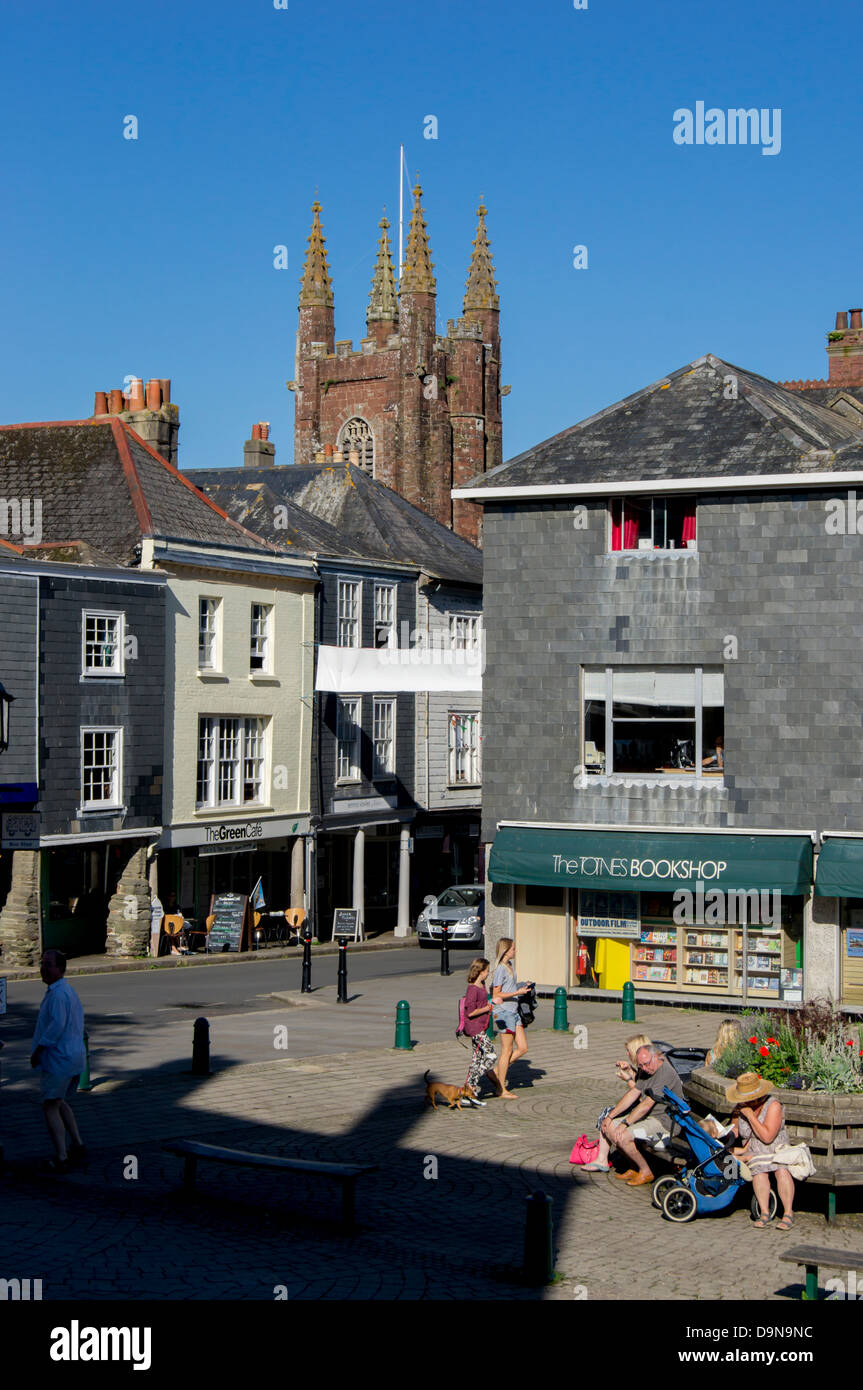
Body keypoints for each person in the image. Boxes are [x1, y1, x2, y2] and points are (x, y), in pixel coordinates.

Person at [586, 1045, 684, 1183]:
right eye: (640, 1065)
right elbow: (633, 1094)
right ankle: (634, 1166)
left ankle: (646, 1171)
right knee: (609, 1127)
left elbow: (646, 1105)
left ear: (655, 1057)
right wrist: (610, 1117)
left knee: (624, 1136)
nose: (644, 1068)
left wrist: (625, 1123)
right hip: (649, 1117)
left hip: (665, 1122)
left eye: (647, 1064)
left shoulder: (665, 1073)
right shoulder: (645, 1071)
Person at [30, 949, 87, 1172]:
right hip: (72, 1056)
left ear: (61, 969)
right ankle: (78, 1144)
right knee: (59, 1101)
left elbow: (56, 1027)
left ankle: (62, 1157)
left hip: (59, 1059)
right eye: (42, 964)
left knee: (50, 1106)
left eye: (48, 964)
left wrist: (38, 1052)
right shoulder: (66, 991)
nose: (43, 969)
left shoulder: (58, 995)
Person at [727, 1072, 795, 1230]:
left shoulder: (773, 1105)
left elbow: (767, 1137)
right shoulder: (740, 1107)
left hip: (775, 1148)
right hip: (753, 1149)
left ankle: (788, 1212)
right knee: (759, 1170)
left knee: (781, 1169)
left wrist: (751, 1116)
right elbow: (735, 1129)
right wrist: (724, 1132)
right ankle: (764, 1212)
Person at [491, 938, 531, 1098]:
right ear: (505, 951)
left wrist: (521, 986)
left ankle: (495, 1072)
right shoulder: (500, 969)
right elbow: (496, 994)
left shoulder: (510, 965)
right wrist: (517, 993)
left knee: (523, 1047)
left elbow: (509, 987)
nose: (515, 951)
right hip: (504, 1012)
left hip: (514, 1011)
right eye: (513, 948)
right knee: (506, 1050)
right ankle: (501, 1089)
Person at [463, 958, 501, 1099]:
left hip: (481, 1026)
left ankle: (468, 1093)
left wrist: (491, 1002)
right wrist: (489, 1007)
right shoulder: (473, 989)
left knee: (477, 1058)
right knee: (491, 1056)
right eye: (486, 971)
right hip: (475, 1028)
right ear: (480, 972)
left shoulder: (482, 985)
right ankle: (471, 1084)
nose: (488, 973)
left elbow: (483, 1003)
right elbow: (470, 1012)